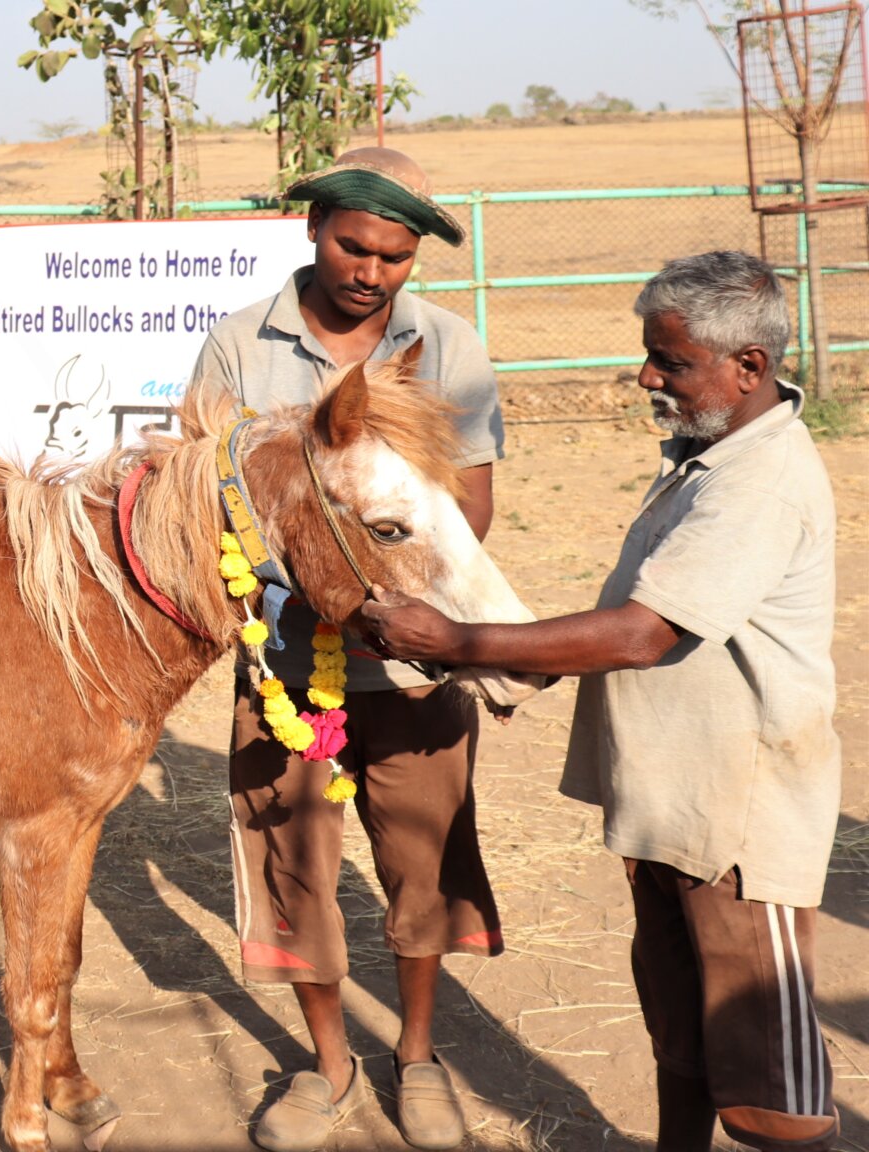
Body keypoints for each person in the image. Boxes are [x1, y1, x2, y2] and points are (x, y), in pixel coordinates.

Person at [360, 250, 840, 1152]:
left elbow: (641, 635)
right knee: (683, 1041)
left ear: (749, 367)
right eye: (650, 353)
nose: (648, 375)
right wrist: (514, 666)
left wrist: (459, 643)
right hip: (676, 805)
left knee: (769, 1091)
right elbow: (627, 619)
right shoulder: (707, 458)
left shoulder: (758, 481)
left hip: (739, 820)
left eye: (672, 360)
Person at [186, 146, 506, 1152]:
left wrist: (385, 600)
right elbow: (210, 506)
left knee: (422, 867)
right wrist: (322, 592)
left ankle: (417, 1057)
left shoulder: (447, 348)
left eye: (396, 256)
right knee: (297, 871)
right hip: (284, 665)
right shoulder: (240, 347)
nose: (371, 271)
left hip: (416, 662)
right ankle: (330, 1067)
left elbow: (471, 510)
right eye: (354, 245)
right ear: (313, 231)